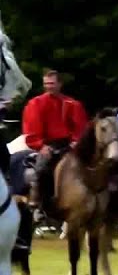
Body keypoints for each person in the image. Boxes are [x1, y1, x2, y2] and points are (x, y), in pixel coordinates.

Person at [22, 69, 89, 220]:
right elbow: (31, 129)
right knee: (42, 170)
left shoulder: (73, 104)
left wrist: (76, 141)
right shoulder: (35, 104)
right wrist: (40, 145)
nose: (49, 86)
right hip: (47, 144)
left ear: (60, 84)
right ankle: (40, 206)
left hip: (70, 144)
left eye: (52, 83)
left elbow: (80, 127)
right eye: (46, 84)